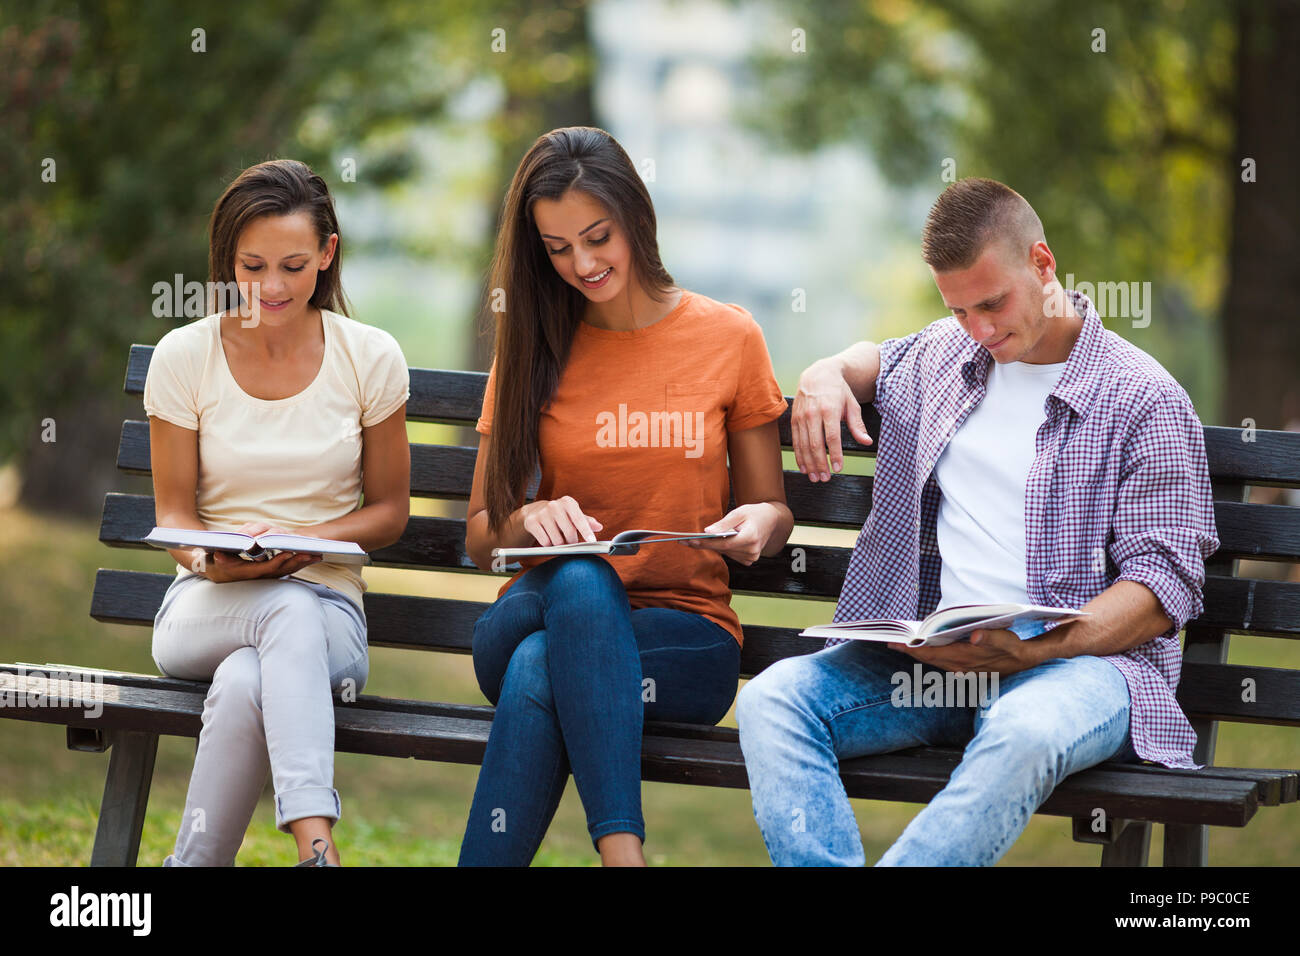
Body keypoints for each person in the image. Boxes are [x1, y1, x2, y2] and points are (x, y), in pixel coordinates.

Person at [737, 177, 1220, 866]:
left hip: (1078, 670)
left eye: (992, 303)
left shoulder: (1143, 398)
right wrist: (823, 372)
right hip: (935, 666)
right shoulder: (945, 355)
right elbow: (876, 360)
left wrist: (1035, 649)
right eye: (959, 310)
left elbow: (1162, 586)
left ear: (1043, 264)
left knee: (1023, 730)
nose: (981, 331)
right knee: (772, 703)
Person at [458, 126, 793, 866]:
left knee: (545, 666)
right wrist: (528, 516)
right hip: (531, 609)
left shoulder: (728, 337)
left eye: (596, 237)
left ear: (635, 217)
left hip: (684, 637)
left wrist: (759, 523)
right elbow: (482, 534)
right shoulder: (532, 347)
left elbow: (773, 505)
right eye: (556, 248)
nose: (581, 263)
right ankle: (625, 859)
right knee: (580, 579)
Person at [143, 159, 411, 866]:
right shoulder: (184, 357)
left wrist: (306, 538)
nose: (272, 287)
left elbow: (388, 512)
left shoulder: (370, 358)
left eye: (294, 265)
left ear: (327, 254)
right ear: (227, 262)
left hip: (329, 613)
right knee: (274, 616)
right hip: (206, 604)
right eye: (252, 265)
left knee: (248, 677)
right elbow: (174, 514)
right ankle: (317, 845)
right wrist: (211, 562)